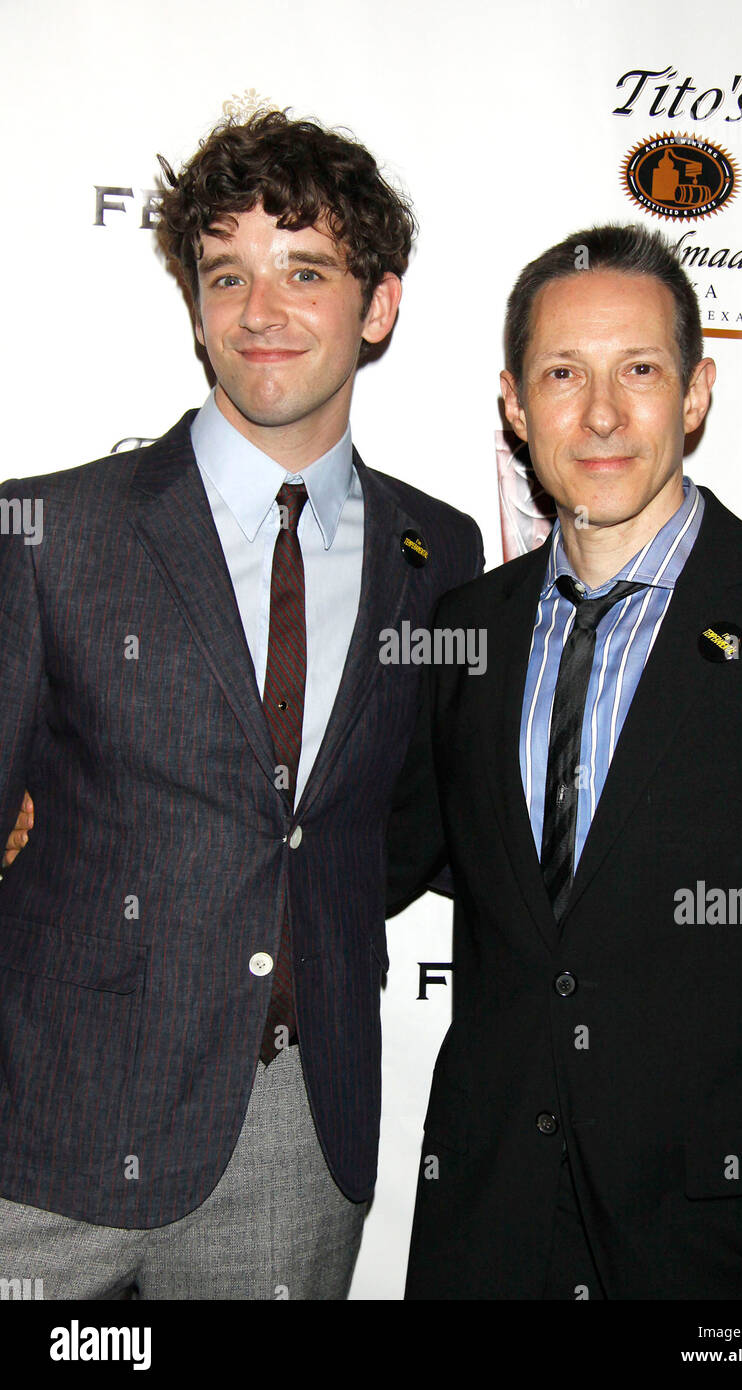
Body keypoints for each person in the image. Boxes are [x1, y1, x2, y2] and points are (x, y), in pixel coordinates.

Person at [0, 109, 481, 1299]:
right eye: (228, 276)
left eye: (303, 271)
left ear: (378, 307)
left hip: (291, 1133)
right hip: (41, 1129)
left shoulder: (439, 552)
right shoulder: (49, 532)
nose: (260, 312)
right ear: (198, 305)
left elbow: (417, 816)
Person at [387, 223, 742, 1299]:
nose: (599, 414)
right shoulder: (462, 635)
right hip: (489, 1234)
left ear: (694, 393)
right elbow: (362, 849)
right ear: (514, 404)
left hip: (733, 1256)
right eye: (563, 373)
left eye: (637, 371)